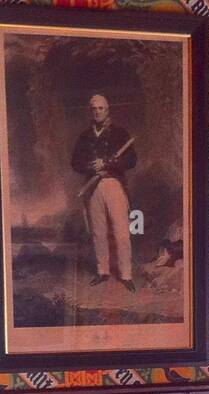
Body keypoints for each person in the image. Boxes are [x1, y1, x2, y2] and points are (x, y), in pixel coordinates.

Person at [70, 94, 137, 292]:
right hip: (92, 187)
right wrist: (91, 167)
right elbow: (75, 163)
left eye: (101, 108)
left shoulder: (120, 133)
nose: (98, 111)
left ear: (107, 110)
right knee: (98, 232)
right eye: (94, 108)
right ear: (90, 111)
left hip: (114, 184)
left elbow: (132, 160)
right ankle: (102, 271)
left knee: (121, 232)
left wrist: (109, 163)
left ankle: (126, 275)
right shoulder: (84, 136)